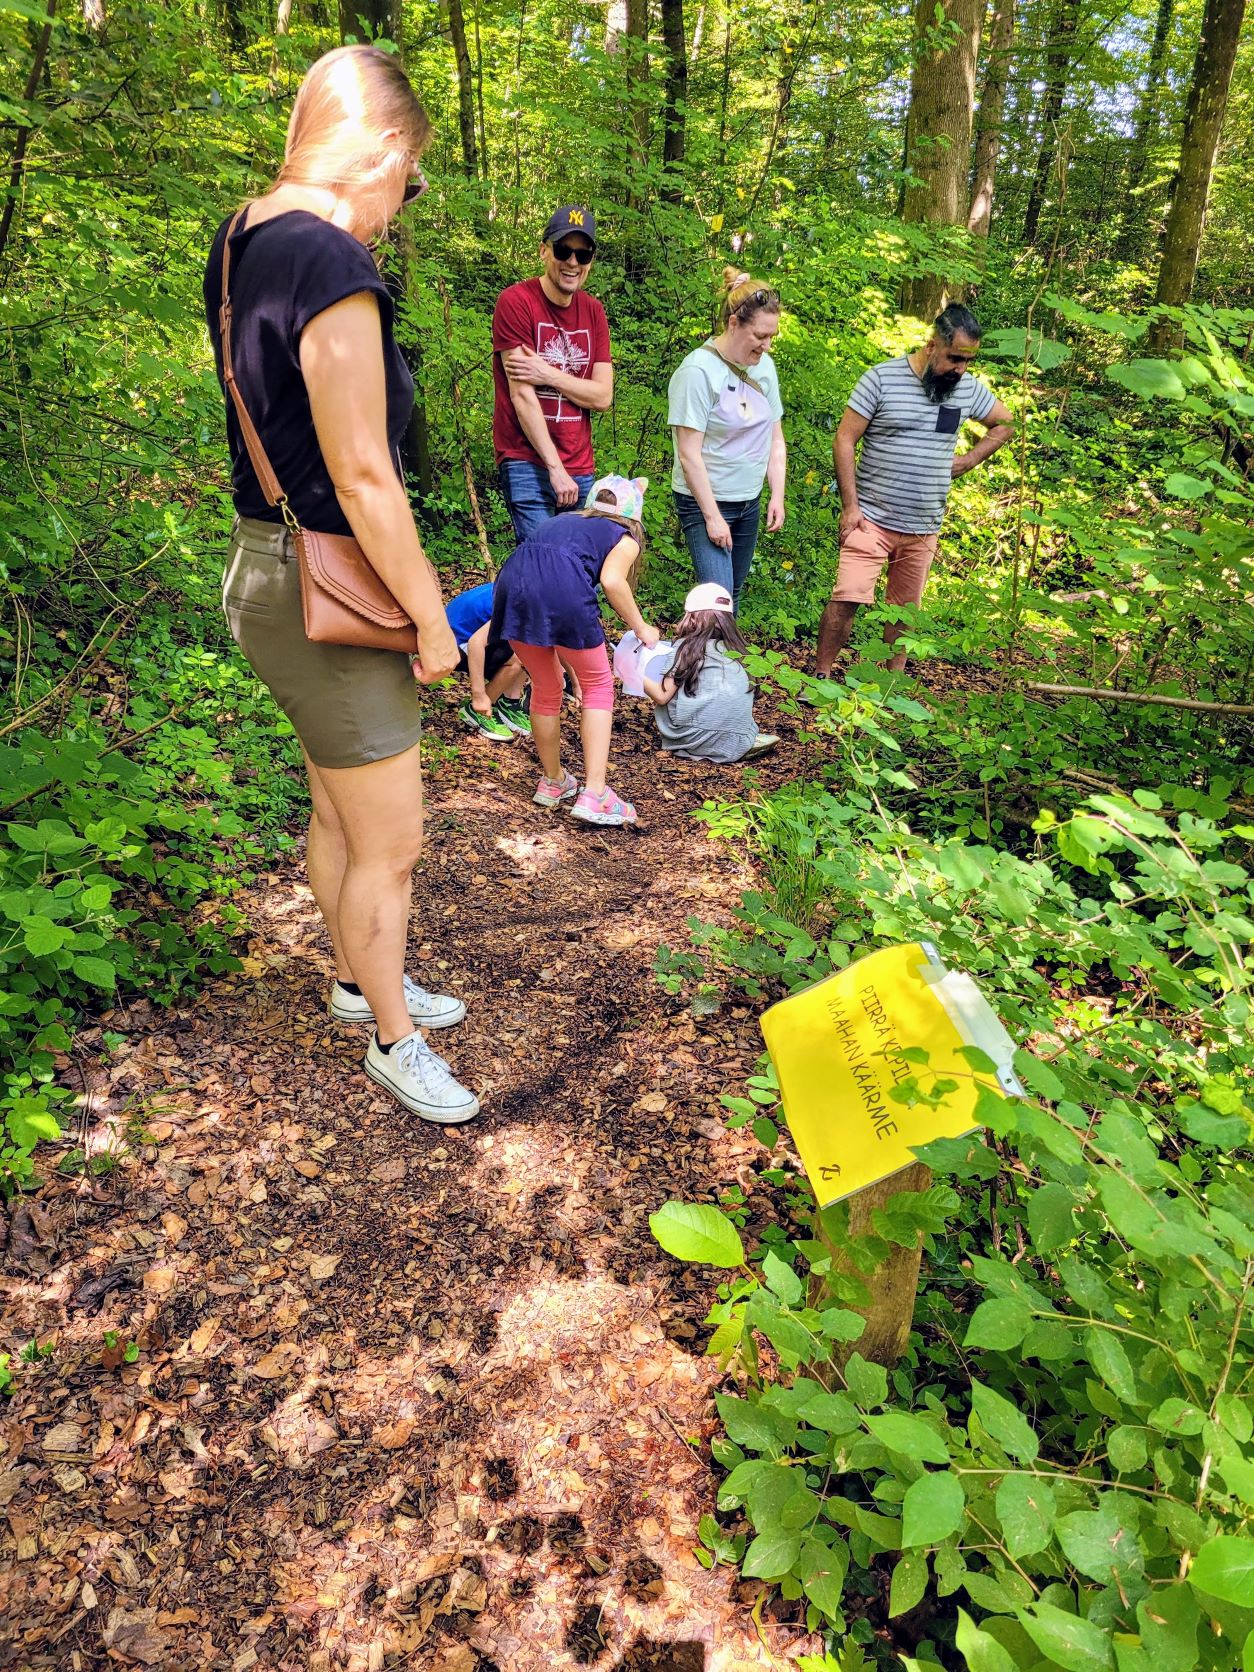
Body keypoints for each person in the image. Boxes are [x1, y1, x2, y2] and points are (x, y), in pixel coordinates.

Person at [205, 45, 479, 1126]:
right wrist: (433, 620)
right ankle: (394, 1040)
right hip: (332, 586)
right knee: (393, 842)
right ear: (385, 147)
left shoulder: (243, 236)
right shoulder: (329, 261)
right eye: (411, 178)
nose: (403, 204)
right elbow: (364, 473)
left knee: (337, 802)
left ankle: (359, 978)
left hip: (265, 565)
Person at [816, 302, 1015, 675]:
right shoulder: (881, 379)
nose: (961, 369)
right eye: (954, 358)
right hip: (870, 519)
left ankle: (890, 686)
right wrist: (850, 507)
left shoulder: (967, 389)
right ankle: (821, 674)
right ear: (932, 345)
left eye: (968, 361)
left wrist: (969, 460)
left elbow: (1006, 423)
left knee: (905, 612)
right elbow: (844, 439)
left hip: (923, 527)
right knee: (847, 598)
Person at [490, 475, 655, 827]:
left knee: (546, 685)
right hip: (562, 592)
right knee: (599, 687)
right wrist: (641, 627)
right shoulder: (623, 536)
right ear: (633, 515)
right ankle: (595, 794)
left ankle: (553, 781)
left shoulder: (563, 521)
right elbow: (612, 580)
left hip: (511, 589)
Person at [668, 268, 787, 613]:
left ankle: (713, 648)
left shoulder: (765, 368)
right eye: (760, 336)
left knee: (731, 596)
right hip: (704, 500)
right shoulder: (697, 372)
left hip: (748, 500)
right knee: (717, 603)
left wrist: (777, 495)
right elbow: (688, 454)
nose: (766, 346)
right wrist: (712, 517)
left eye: (772, 337)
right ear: (734, 324)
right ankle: (705, 649)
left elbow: (775, 439)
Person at [492, 206, 613, 541]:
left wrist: (548, 373)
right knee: (543, 562)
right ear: (544, 250)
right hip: (526, 461)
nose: (573, 262)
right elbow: (522, 395)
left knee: (576, 564)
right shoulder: (516, 303)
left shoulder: (594, 312)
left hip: (580, 464)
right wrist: (554, 468)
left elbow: (603, 396)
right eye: (563, 250)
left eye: (583, 254)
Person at [642, 582, 778, 764]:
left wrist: (633, 674)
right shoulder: (740, 651)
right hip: (738, 743)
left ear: (692, 617)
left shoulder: (687, 647)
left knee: (672, 688)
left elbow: (661, 696)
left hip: (692, 738)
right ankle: (732, 737)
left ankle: (698, 738)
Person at [444, 582, 531, 740]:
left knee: (528, 644)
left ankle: (509, 703)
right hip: (454, 643)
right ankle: (480, 710)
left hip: (455, 632)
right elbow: (476, 643)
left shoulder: (520, 585)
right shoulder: (521, 604)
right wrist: (479, 695)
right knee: (521, 657)